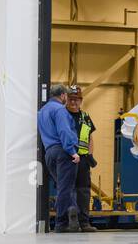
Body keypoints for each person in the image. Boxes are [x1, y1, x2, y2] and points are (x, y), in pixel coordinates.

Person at [37, 83, 81, 233]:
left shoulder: (41, 112)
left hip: (49, 152)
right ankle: (61, 223)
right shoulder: (60, 110)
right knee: (65, 187)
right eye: (66, 96)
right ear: (62, 95)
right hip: (63, 151)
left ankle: (71, 211)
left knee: (62, 186)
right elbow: (64, 131)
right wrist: (72, 151)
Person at [65, 86, 99, 233]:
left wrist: (90, 155)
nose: (73, 102)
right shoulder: (62, 115)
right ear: (66, 99)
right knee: (67, 191)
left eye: (76, 99)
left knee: (84, 191)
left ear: (81, 101)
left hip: (83, 160)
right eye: (71, 99)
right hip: (67, 158)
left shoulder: (85, 117)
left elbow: (90, 138)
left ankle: (84, 223)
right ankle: (69, 223)